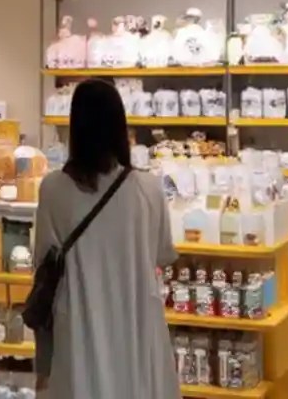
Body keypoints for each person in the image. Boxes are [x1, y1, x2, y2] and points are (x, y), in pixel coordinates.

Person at [33, 79, 177, 399]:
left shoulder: (53, 189)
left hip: (80, 331)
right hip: (137, 326)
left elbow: (44, 266)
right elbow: (162, 254)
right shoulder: (149, 189)